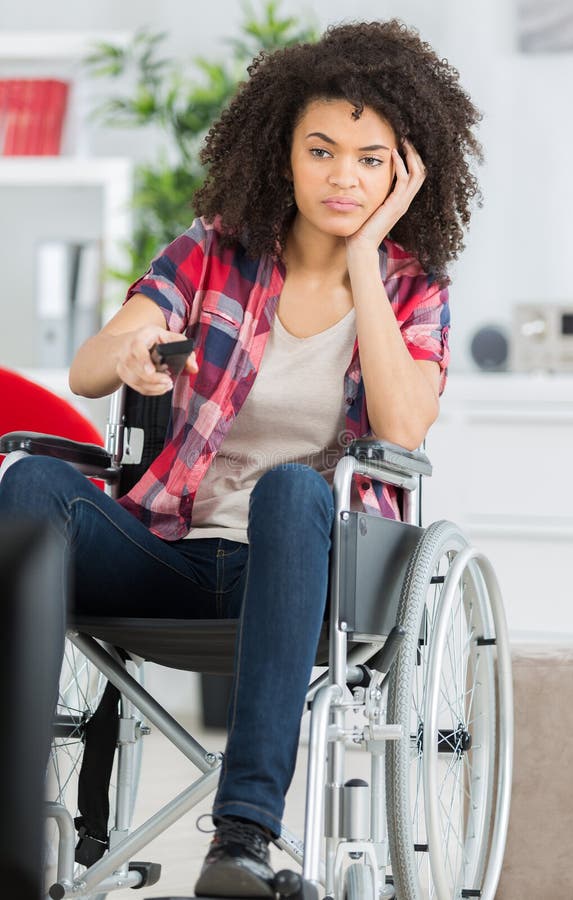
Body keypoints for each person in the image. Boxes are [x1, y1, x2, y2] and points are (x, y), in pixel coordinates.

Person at [0, 19, 482, 899]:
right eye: (322, 150)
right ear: (280, 152)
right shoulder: (214, 252)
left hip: (314, 569)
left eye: (371, 159)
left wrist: (368, 259)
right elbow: (90, 364)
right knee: (32, 482)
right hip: (176, 554)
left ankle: (245, 839)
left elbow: (406, 428)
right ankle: (3, 809)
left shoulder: (415, 289)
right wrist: (134, 351)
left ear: (407, 173)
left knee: (295, 491)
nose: (344, 177)